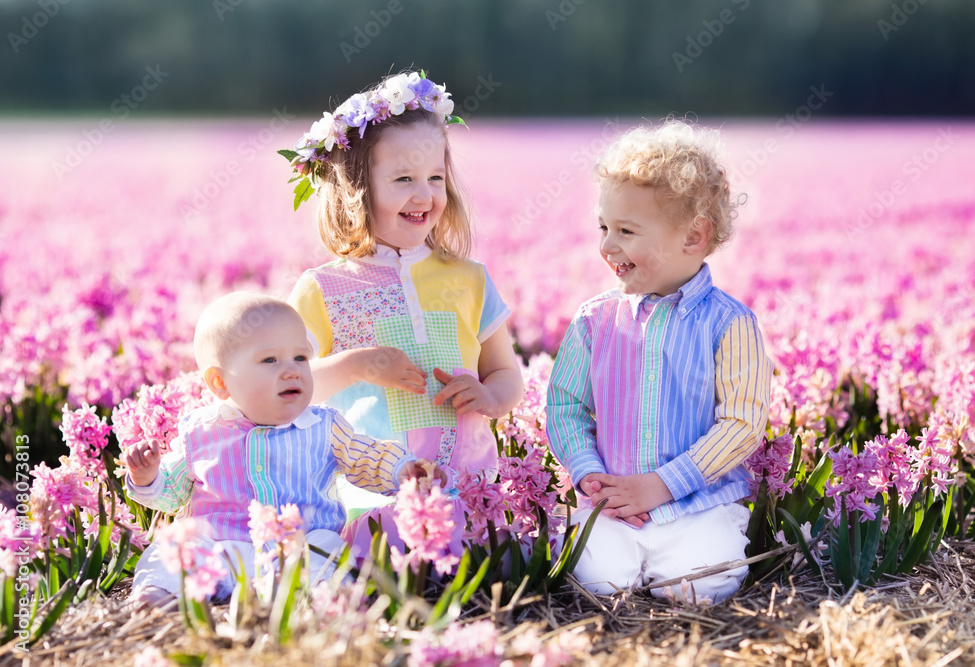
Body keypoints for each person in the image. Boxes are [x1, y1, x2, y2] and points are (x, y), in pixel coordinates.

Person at [282, 71, 523, 556]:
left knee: (492, 561)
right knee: (379, 553)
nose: (424, 195)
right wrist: (357, 365)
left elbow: (505, 374)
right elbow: (291, 387)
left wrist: (489, 396)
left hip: (467, 484)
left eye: (435, 178)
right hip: (373, 492)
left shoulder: (469, 279)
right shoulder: (322, 289)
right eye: (403, 179)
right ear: (354, 189)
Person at [546, 120, 774, 604]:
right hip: (612, 503)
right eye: (604, 227)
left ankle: (673, 564)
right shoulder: (593, 321)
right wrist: (589, 474)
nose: (607, 245)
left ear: (694, 236)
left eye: (626, 231)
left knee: (699, 586)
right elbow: (565, 408)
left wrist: (663, 485)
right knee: (598, 584)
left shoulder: (730, 324)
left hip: (699, 503)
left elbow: (742, 423)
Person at [124, 292, 443, 608]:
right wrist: (147, 476)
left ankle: (320, 601)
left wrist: (402, 470)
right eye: (270, 360)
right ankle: (159, 597)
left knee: (324, 550)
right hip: (220, 551)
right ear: (220, 383)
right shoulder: (201, 431)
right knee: (173, 549)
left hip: (297, 548)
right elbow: (170, 493)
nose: (292, 370)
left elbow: (366, 457)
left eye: (301, 358)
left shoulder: (322, 425)